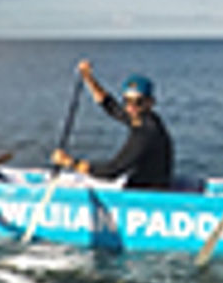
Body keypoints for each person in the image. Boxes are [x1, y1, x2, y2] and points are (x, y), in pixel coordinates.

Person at [51, 60, 173, 188]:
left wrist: (70, 162)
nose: (131, 107)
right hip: (144, 186)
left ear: (150, 103)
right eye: (127, 100)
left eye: (138, 102)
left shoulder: (146, 133)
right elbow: (111, 107)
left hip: (147, 194)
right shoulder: (141, 118)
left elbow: (111, 172)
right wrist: (88, 78)